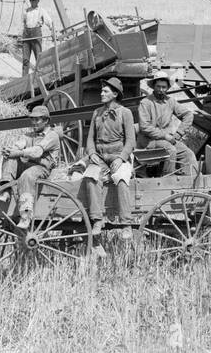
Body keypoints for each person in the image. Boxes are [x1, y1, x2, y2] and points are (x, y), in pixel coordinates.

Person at [80, 76, 137, 253]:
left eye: (105, 91)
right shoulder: (96, 113)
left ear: (115, 94)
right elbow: (89, 139)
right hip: (100, 157)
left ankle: (126, 223)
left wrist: (121, 158)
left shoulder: (125, 113)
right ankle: (97, 220)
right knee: (90, 178)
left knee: (121, 178)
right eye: (102, 90)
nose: (101, 93)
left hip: (119, 155)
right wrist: (92, 154)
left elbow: (131, 141)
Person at [1, 105, 61, 230]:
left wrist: (18, 153)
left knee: (27, 175)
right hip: (28, 164)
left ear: (46, 121)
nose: (33, 123)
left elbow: (37, 152)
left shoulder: (52, 136)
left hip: (42, 168)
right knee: (10, 157)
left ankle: (26, 215)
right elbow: (20, 144)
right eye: (32, 119)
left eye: (37, 120)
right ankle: (6, 190)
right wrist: (10, 150)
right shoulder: (29, 135)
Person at [138, 72, 197, 177]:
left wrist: (178, 133)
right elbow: (144, 127)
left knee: (188, 154)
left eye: (164, 87)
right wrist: (165, 136)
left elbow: (188, 115)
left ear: (167, 88)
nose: (161, 90)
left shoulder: (170, 101)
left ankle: (191, 181)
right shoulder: (145, 103)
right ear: (153, 86)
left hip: (167, 140)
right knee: (171, 150)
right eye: (158, 87)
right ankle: (167, 179)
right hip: (149, 141)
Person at [20, 0, 55, 76]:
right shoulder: (26, 11)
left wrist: (52, 31)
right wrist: (22, 34)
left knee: (39, 57)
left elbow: (49, 21)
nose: (33, 2)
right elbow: (23, 23)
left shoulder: (41, 10)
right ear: (30, 1)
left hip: (36, 34)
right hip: (26, 35)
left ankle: (40, 76)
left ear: (38, 1)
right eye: (32, 0)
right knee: (25, 59)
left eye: (35, 0)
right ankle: (24, 78)